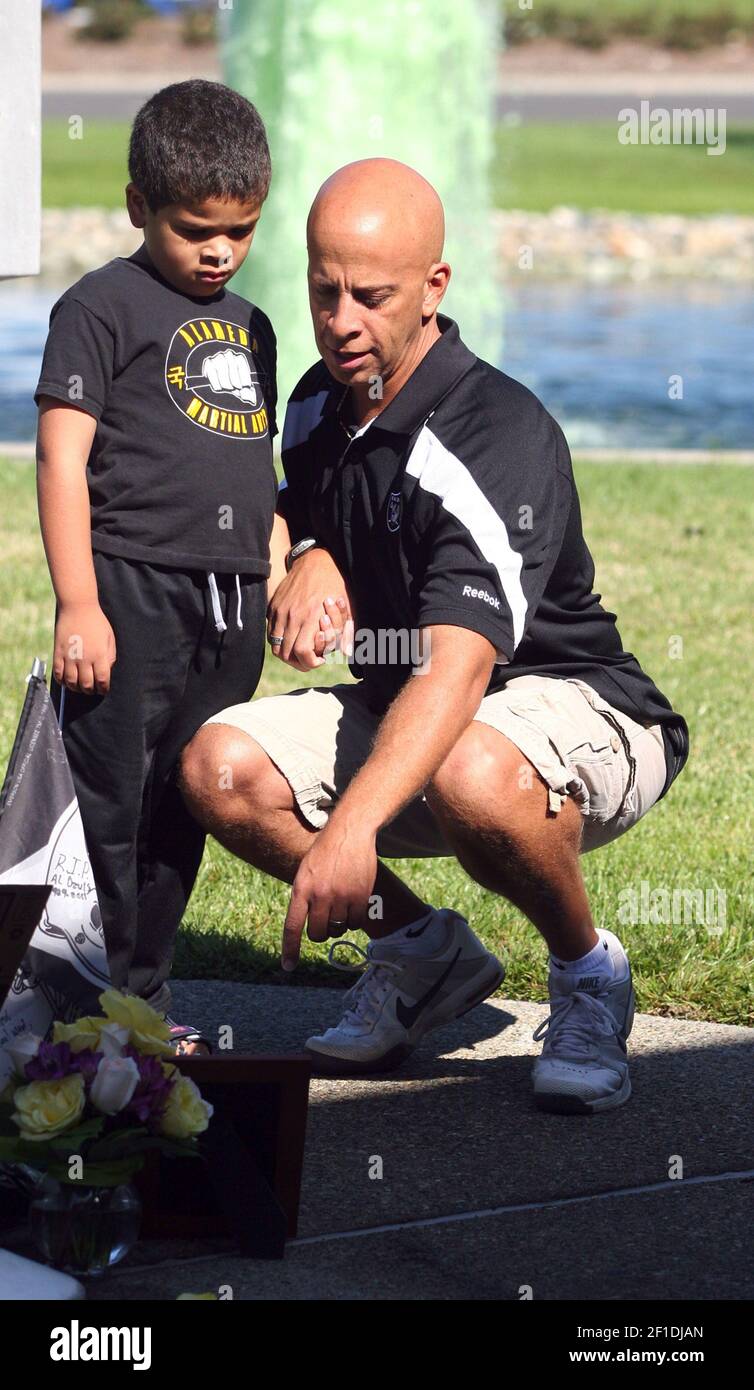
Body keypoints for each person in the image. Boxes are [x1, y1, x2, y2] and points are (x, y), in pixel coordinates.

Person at [179, 158, 689, 1112]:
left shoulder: (493, 430)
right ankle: (420, 954)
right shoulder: (317, 402)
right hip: (418, 705)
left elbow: (458, 670)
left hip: (580, 710)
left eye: (371, 298)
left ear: (434, 288)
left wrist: (355, 831)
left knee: (470, 766)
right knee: (219, 765)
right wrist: (308, 549)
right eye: (322, 291)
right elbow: (301, 504)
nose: (341, 321)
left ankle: (587, 972)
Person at [34, 80, 335, 1053]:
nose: (218, 251)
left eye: (240, 231)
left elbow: (257, 473)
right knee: (106, 809)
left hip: (228, 606)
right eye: (195, 229)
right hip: (129, 592)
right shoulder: (99, 306)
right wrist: (79, 600)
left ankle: (144, 1007)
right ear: (137, 208)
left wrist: (285, 569)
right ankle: (77, 1004)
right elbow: (61, 455)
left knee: (178, 808)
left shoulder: (252, 322)